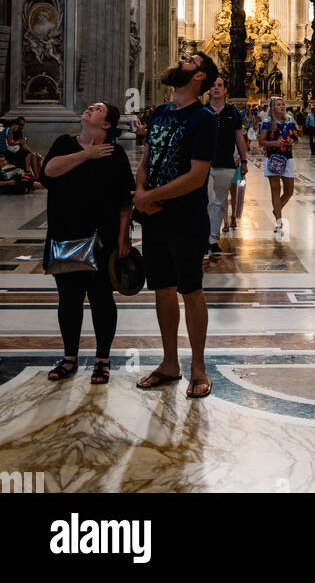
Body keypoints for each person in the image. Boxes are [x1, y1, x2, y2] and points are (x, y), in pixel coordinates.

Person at [133, 50, 219, 401]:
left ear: (200, 76)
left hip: (186, 217)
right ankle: (170, 363)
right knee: (163, 289)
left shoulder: (204, 119)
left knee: (190, 290)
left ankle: (198, 367)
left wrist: (151, 195)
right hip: (154, 216)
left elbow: (197, 177)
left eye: (188, 59)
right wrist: (141, 193)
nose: (180, 60)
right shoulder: (158, 114)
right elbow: (146, 158)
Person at [41, 102, 133, 386]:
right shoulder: (64, 143)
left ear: (106, 124)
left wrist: (123, 236)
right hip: (65, 234)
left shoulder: (115, 154)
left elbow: (125, 201)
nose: (90, 109)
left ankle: (102, 359)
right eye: (91, 107)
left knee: (102, 299)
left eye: (98, 109)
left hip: (101, 239)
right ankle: (70, 357)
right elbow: (49, 172)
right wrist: (86, 154)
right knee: (68, 300)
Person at [205, 74, 247, 254]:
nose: (216, 88)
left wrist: (244, 160)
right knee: (207, 200)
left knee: (220, 202)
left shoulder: (232, 112)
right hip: (203, 164)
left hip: (226, 164)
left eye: (219, 85)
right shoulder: (202, 110)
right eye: (213, 85)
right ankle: (205, 236)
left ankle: (214, 239)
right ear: (209, 89)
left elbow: (239, 137)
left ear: (225, 90)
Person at [259, 97, 298, 235]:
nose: (281, 107)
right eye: (278, 105)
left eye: (282, 104)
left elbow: (296, 137)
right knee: (275, 189)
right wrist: (275, 143)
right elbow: (261, 141)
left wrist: (290, 141)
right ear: (273, 108)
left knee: (289, 191)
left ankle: (277, 209)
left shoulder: (289, 120)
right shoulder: (268, 122)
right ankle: (279, 221)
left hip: (287, 157)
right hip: (273, 158)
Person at [3, 116, 42, 181]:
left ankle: (41, 176)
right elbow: (10, 144)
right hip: (12, 153)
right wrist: (19, 142)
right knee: (33, 156)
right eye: (21, 125)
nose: (22, 127)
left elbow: (23, 144)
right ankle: (36, 176)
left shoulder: (18, 131)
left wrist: (33, 152)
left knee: (36, 156)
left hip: (18, 151)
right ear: (16, 124)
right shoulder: (10, 131)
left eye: (23, 125)